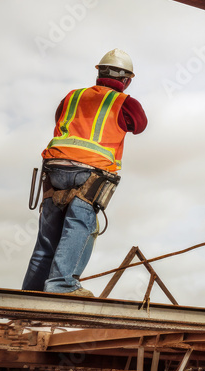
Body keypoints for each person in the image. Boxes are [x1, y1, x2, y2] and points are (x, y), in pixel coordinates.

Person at [22, 49, 147, 297]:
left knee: (47, 238)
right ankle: (62, 285)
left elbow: (60, 119)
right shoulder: (125, 103)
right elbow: (139, 125)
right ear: (127, 80)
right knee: (78, 227)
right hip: (90, 172)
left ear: (99, 72)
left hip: (55, 169)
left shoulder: (73, 96)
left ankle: (31, 294)